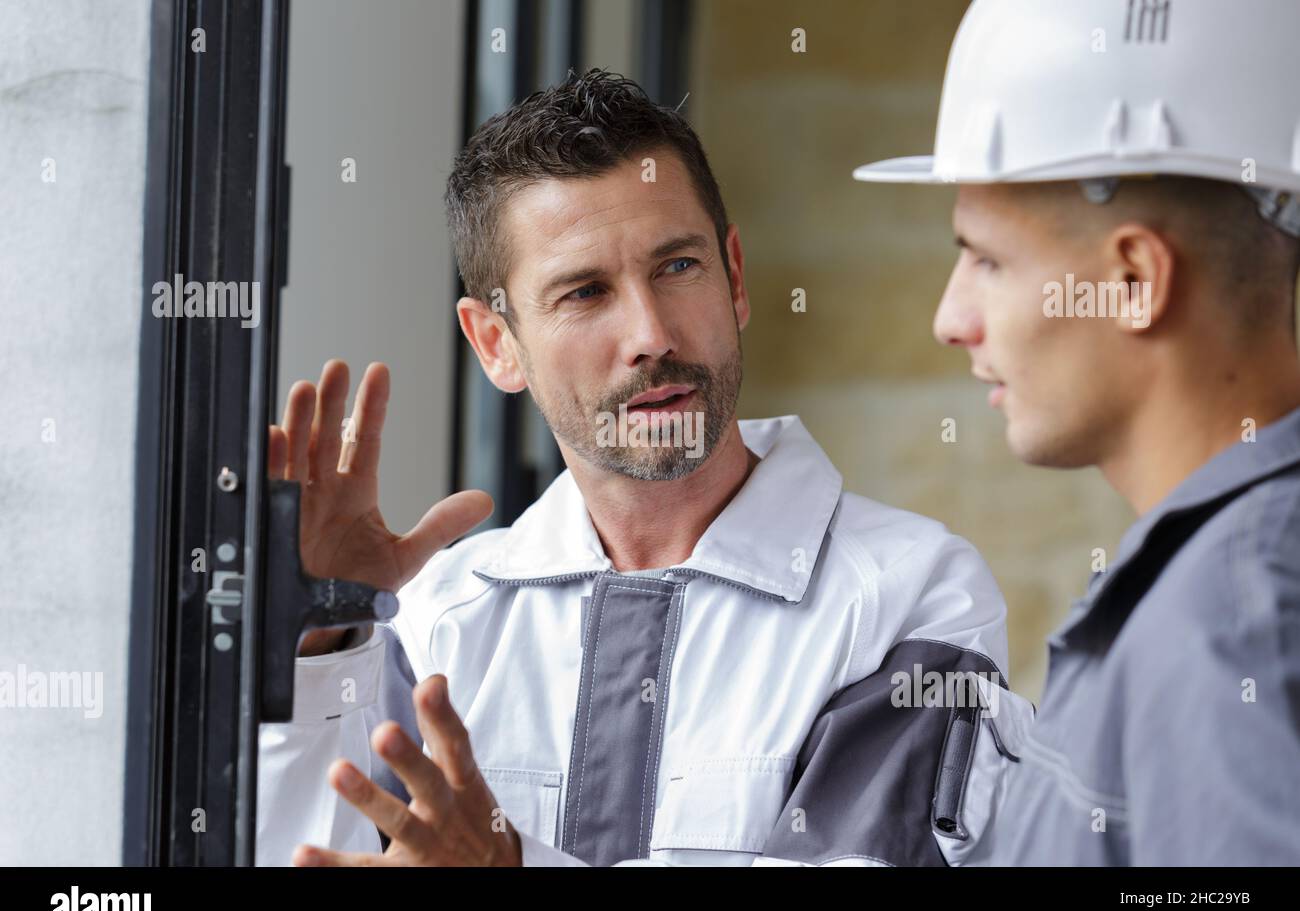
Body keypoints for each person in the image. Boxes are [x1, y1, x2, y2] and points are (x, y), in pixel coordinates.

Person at [255, 68, 1032, 867]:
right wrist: (318, 648)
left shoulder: (913, 596)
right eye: (585, 292)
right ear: (497, 344)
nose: (650, 332)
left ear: (734, 275)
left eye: (677, 267)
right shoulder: (427, 624)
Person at [853, 0, 1300, 864]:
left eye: (987, 259)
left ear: (1133, 279)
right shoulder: (1214, 576)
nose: (951, 319)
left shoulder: (1234, 617)